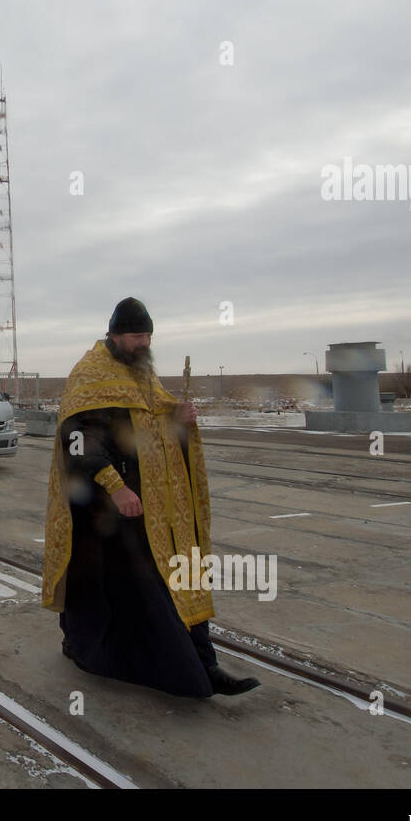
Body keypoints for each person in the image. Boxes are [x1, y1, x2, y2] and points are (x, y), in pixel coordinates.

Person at [43, 298, 260, 698]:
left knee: (176, 577)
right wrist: (116, 487)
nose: (143, 343)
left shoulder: (143, 376)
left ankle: (203, 663)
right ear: (114, 335)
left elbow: (150, 429)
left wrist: (178, 419)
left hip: (154, 507)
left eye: (147, 336)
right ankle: (98, 649)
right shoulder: (88, 375)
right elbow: (77, 441)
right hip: (106, 507)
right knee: (106, 585)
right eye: (136, 336)